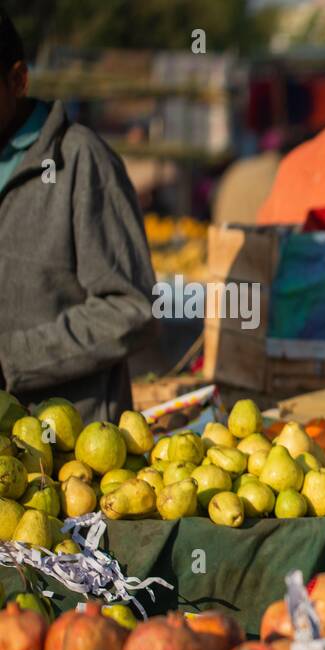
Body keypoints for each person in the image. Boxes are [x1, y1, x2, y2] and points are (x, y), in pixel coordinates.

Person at [0, 11, 156, 422]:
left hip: (76, 454)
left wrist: (11, 360)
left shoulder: (81, 162)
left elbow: (132, 309)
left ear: (18, 79)